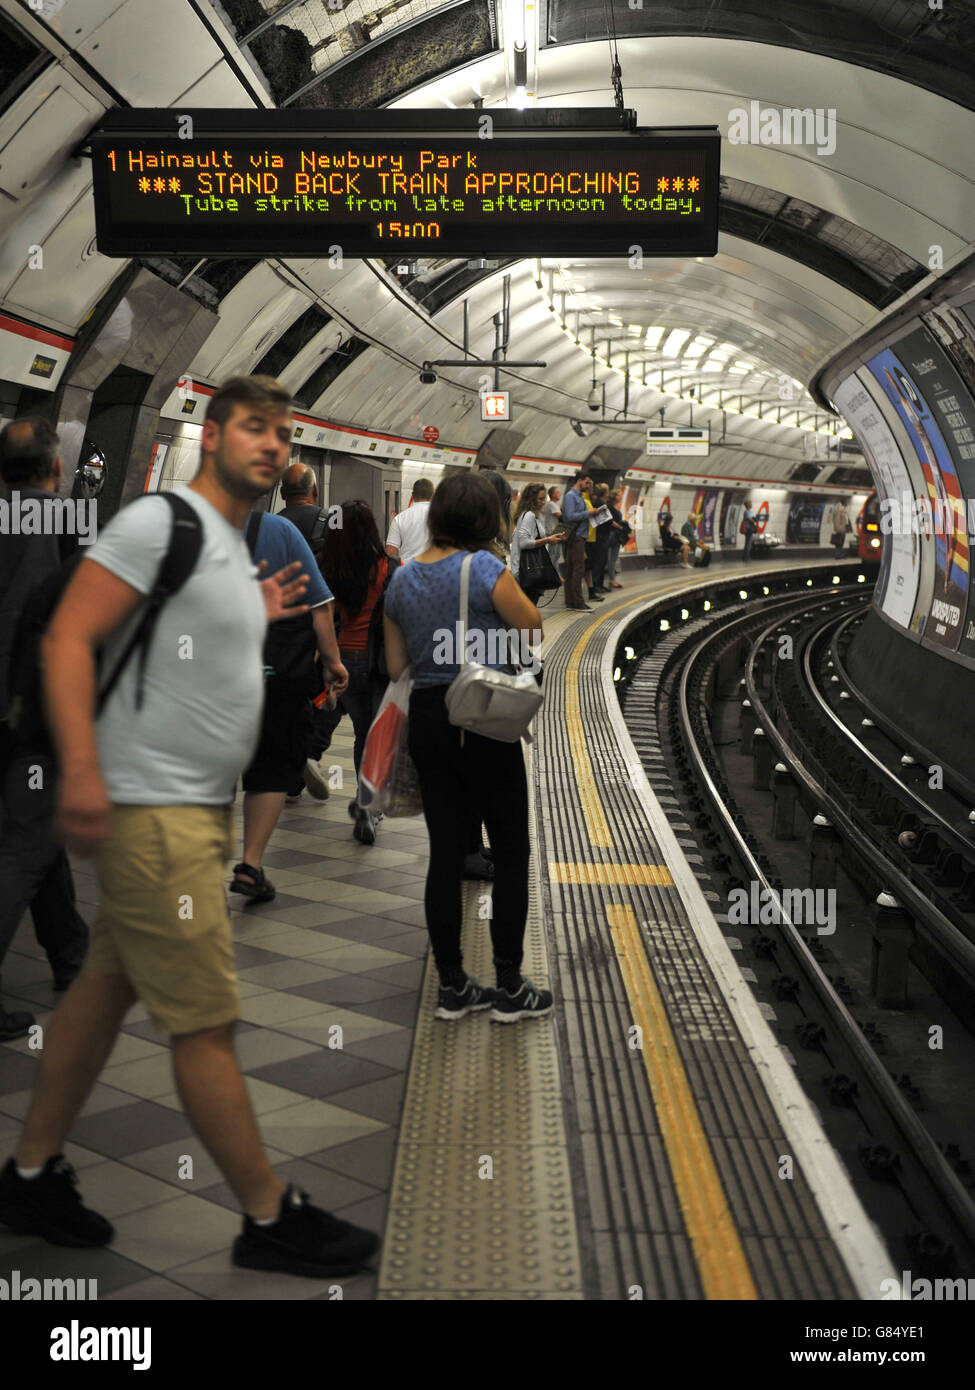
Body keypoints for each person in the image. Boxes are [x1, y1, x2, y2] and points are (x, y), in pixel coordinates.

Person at [0, 374, 379, 1276]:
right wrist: (84, 773)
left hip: (192, 810)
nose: (272, 445)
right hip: (152, 812)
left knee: (98, 996)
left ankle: (29, 1170)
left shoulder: (221, 544)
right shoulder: (156, 524)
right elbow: (65, 638)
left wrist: (257, 613)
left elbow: (179, 646)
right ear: (211, 436)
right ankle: (268, 1214)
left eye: (283, 434)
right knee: (204, 1021)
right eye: (254, 428)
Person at [383, 472, 553, 1022]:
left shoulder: (402, 579)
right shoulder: (485, 568)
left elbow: (394, 666)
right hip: (482, 718)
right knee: (510, 850)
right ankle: (509, 985)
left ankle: (453, 986)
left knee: (445, 855)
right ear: (485, 520)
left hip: (431, 722)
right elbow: (531, 626)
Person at [0, 419, 88, 1039]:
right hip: (34, 704)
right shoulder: (69, 519)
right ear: (55, 470)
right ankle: (72, 958)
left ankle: (71, 954)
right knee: (27, 836)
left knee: (31, 825)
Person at [231, 509, 348, 903]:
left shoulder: (180, 521)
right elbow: (319, 605)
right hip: (273, 674)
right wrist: (332, 663)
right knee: (272, 765)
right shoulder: (277, 530)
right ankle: (250, 864)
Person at [320, 499, 398, 846]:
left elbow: (323, 616)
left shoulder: (330, 569)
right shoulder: (387, 567)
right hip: (378, 661)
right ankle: (367, 806)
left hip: (341, 659)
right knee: (376, 736)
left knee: (362, 732)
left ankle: (366, 805)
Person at [277, 462, 341, 801]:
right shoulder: (332, 519)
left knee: (285, 694)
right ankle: (306, 753)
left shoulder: (270, 524)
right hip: (322, 620)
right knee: (325, 694)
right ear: (315, 491)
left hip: (278, 626)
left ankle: (291, 760)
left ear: (283, 495)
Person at [510, 484, 564, 605]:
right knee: (527, 610)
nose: (543, 502)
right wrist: (548, 539)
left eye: (544, 498)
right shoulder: (529, 516)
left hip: (523, 570)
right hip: (527, 572)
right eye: (540, 499)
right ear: (531, 499)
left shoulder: (526, 514)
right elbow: (524, 543)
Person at [561, 471, 594, 610]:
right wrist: (588, 513)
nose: (587, 485)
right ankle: (578, 601)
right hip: (576, 536)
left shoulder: (579, 496)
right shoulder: (570, 496)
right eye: (586, 482)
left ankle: (570, 600)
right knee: (578, 569)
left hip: (581, 535)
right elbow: (569, 516)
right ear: (579, 480)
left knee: (571, 569)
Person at [385, 477, 433, 563]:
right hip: (433, 571)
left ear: (412, 495)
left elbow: (391, 552)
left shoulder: (400, 518)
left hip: (407, 571)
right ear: (433, 495)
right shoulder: (441, 517)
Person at [588, 483, 613, 596]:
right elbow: (607, 520)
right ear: (605, 493)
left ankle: (600, 584)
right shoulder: (600, 503)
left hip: (601, 535)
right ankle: (596, 584)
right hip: (601, 536)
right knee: (599, 561)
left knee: (602, 561)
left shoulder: (598, 502)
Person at [605, 488, 629, 588]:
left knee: (613, 558)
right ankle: (611, 579)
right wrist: (620, 527)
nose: (620, 497)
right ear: (614, 496)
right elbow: (609, 520)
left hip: (615, 534)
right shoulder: (610, 507)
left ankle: (612, 578)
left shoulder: (614, 507)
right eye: (619, 495)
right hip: (612, 534)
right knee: (610, 558)